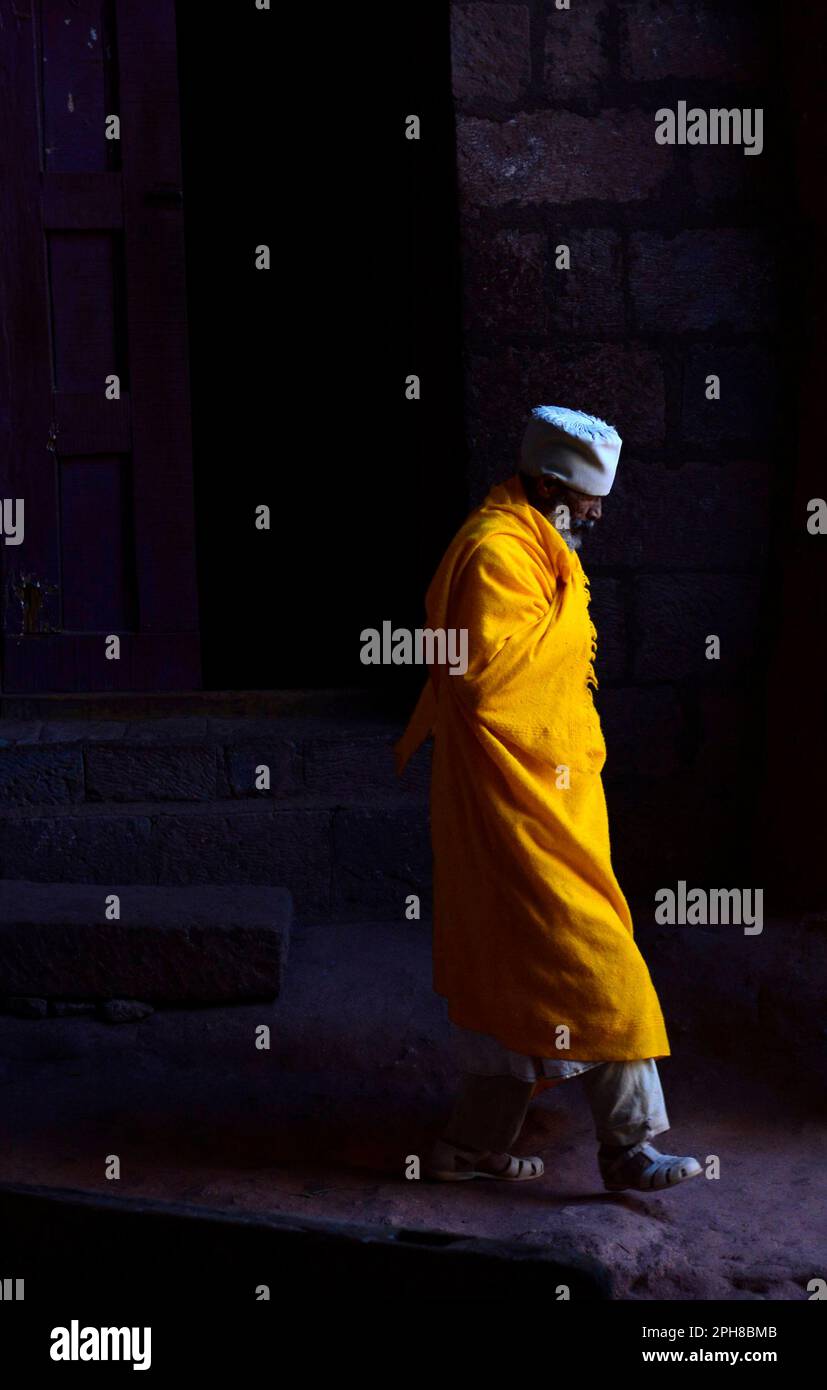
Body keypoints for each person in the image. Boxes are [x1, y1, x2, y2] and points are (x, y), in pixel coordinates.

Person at [395, 405, 702, 1194]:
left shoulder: (541, 545)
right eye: (590, 498)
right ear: (546, 485)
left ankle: (469, 1150)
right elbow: (486, 683)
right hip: (506, 798)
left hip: (548, 791)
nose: (598, 511)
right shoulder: (495, 552)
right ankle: (629, 1147)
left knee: (515, 973)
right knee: (596, 958)